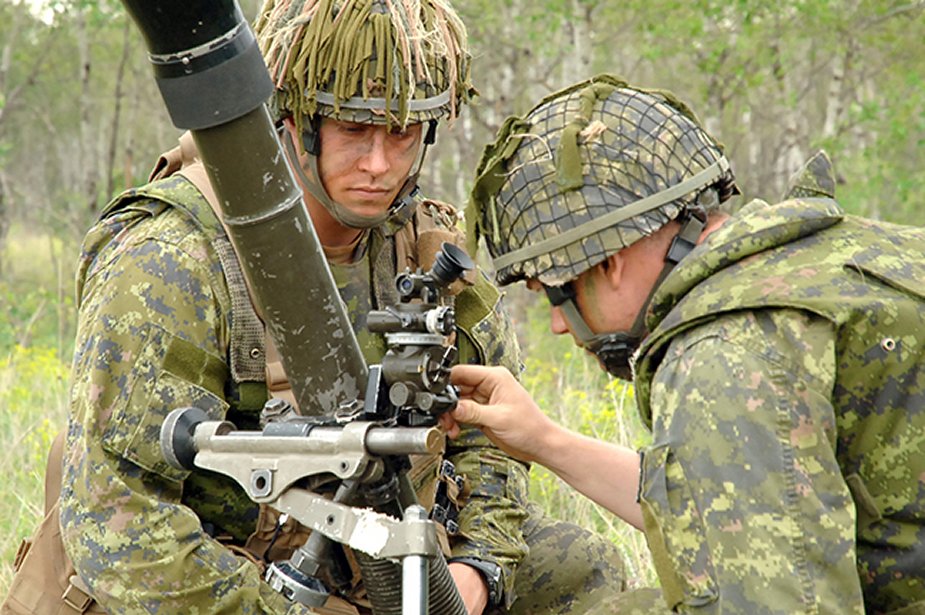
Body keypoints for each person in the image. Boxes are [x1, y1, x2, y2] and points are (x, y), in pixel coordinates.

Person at [2, 4, 628, 615]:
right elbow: (121, 522)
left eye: (402, 134)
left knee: (579, 567)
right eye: (353, 130)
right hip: (222, 574)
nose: (379, 164)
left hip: (381, 557)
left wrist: (474, 570)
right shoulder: (171, 257)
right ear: (293, 119)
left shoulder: (427, 248)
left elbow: (490, 439)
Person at [443, 73, 925, 614]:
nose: (560, 325)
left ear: (609, 262)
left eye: (559, 293)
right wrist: (544, 441)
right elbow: (725, 497)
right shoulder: (861, 254)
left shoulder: (725, 353)